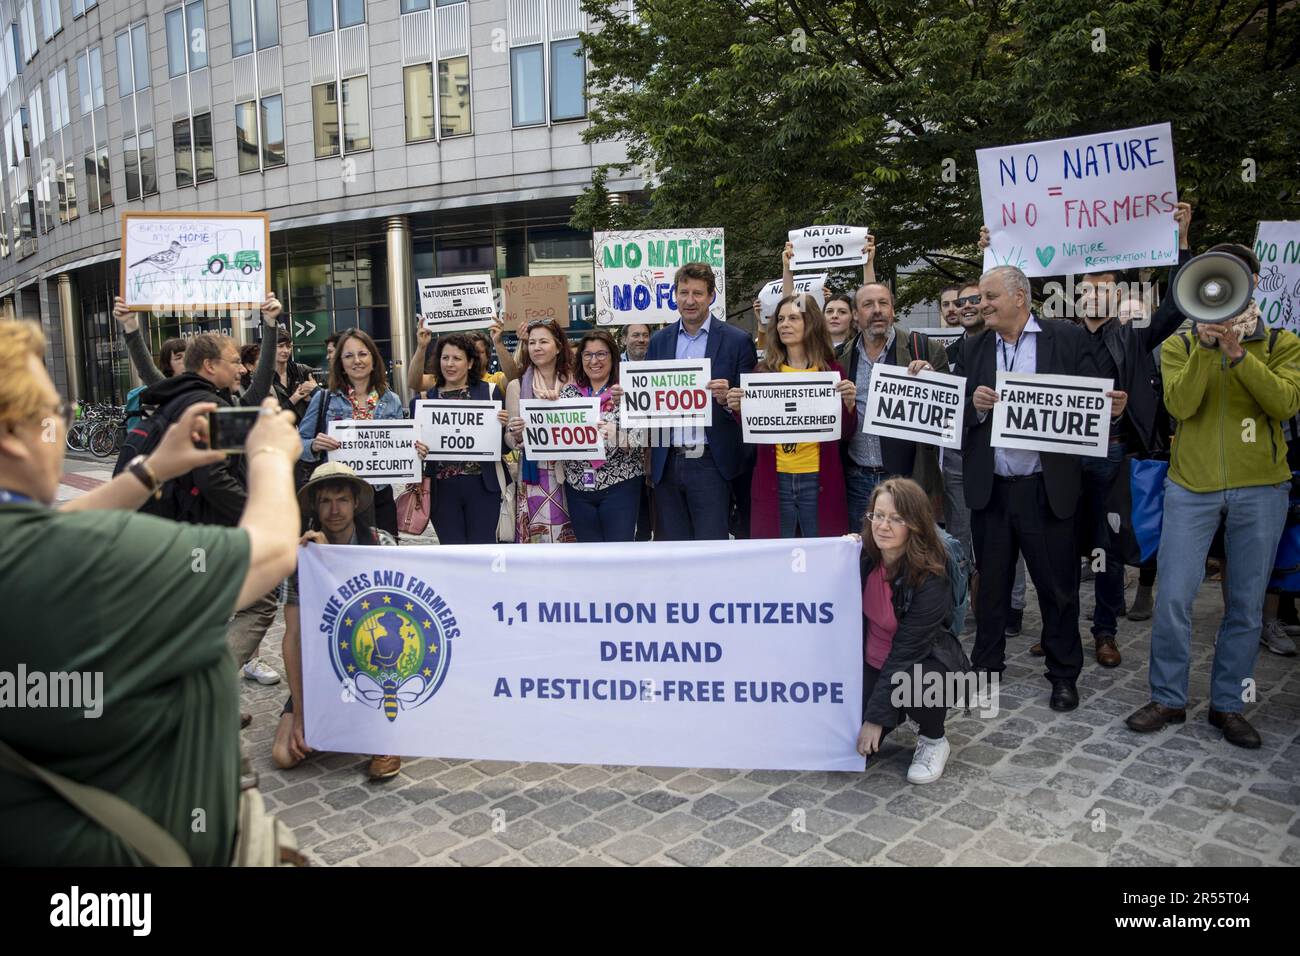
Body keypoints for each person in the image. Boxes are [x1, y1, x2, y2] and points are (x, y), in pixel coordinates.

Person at [0, 316, 302, 864]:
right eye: (53, 415)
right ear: (11, 437)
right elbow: (269, 554)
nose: (61, 429)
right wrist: (270, 457)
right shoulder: (75, 558)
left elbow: (57, 524)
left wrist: (153, 470)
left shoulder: (30, 540)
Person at [1126, 243, 1300, 748]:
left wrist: (1240, 356)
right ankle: (1168, 697)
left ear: (1251, 284)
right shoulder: (1182, 344)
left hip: (1261, 487)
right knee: (1175, 598)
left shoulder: (1282, 342)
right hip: (1191, 486)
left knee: (1245, 603)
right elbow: (1180, 405)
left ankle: (1230, 704)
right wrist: (1205, 350)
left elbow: (1284, 401)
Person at [961, 265, 1126, 712]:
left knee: (1058, 588)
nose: (982, 305)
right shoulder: (973, 346)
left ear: (1020, 297)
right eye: (979, 298)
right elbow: (956, 419)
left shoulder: (1066, 339)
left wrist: (1111, 410)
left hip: (1047, 489)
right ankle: (987, 666)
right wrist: (973, 409)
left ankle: (1064, 673)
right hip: (991, 490)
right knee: (991, 588)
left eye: (990, 296)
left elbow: (1095, 399)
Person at [1061, 201, 1194, 667]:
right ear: (1076, 293)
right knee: (1060, 545)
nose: (1097, 290)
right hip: (1064, 461)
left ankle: (1104, 631)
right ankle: (1061, 632)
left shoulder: (1134, 336)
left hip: (1114, 458)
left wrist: (1180, 240)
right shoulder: (1058, 336)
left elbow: (1179, 304)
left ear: (1119, 295)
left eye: (1107, 284)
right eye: (1089, 284)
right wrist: (993, 251)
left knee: (1106, 546)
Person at [272, 462, 405, 781]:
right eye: (325, 501)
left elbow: (392, 616)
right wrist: (303, 715)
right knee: (284, 756)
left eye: (342, 499)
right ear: (315, 507)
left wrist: (330, 557)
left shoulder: (381, 544)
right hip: (322, 667)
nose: (334, 510)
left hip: (372, 659)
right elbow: (292, 638)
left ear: (355, 503)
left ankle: (386, 734)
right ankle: (330, 718)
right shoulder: (301, 555)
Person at [856, 478, 964, 785]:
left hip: (921, 663)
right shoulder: (863, 557)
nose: (883, 526)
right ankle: (894, 712)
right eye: (878, 515)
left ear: (915, 525)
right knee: (847, 748)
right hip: (872, 663)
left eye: (896, 519)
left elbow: (905, 651)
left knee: (920, 685)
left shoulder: (931, 577)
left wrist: (875, 719)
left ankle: (933, 739)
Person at [727, 294, 856, 537]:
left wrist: (849, 405)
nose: (784, 324)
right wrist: (738, 408)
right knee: (776, 557)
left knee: (821, 555)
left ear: (811, 323)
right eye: (781, 319)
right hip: (775, 480)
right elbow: (751, 430)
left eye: (794, 318)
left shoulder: (832, 371)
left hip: (819, 479)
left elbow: (847, 433)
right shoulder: (763, 372)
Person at [645, 262, 758, 540]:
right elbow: (646, 396)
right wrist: (633, 398)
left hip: (711, 460)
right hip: (667, 460)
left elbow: (752, 404)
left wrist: (729, 398)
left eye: (697, 293)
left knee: (711, 549)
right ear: (675, 295)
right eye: (683, 292)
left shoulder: (737, 340)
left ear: (711, 296)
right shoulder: (659, 341)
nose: (689, 300)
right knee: (674, 551)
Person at [842, 280, 950, 529]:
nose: (877, 310)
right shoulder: (841, 357)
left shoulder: (924, 350)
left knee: (911, 558)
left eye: (883, 303)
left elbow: (949, 425)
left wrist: (933, 383)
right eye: (868, 305)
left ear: (893, 310)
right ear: (856, 315)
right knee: (865, 558)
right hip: (857, 481)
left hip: (909, 480)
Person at [298, 328, 407, 538]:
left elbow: (400, 445)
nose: (357, 361)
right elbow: (297, 444)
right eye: (349, 356)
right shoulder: (323, 398)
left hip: (380, 496)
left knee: (383, 559)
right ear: (341, 364)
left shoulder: (391, 399)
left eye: (363, 354)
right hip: (337, 498)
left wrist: (414, 451)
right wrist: (313, 445)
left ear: (374, 360)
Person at [415, 332, 508, 545]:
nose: (450, 363)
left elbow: (503, 447)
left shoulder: (490, 393)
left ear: (470, 362)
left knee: (483, 549)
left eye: (457, 358)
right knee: (452, 551)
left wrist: (504, 427)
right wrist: (417, 449)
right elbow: (412, 449)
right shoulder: (425, 399)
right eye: (445, 357)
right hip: (442, 490)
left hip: (482, 487)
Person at [561, 330, 644, 541]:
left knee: (618, 552)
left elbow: (640, 441)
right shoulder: (568, 394)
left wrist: (617, 434)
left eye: (601, 354)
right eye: (587, 355)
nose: (594, 361)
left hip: (620, 485)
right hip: (577, 486)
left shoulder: (627, 391)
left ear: (613, 357)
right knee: (588, 556)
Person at [505, 318, 578, 542]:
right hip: (533, 476)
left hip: (571, 473)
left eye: (543, 342)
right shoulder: (516, 385)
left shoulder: (575, 382)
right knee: (538, 543)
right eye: (532, 342)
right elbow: (509, 437)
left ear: (557, 347)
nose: (536, 347)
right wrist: (516, 435)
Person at [270, 328, 318, 423]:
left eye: (288, 346)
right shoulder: (264, 378)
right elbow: (272, 417)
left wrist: (313, 395)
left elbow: (318, 406)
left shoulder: (304, 371)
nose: (286, 350)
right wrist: (295, 398)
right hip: (279, 432)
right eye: (280, 346)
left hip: (305, 430)